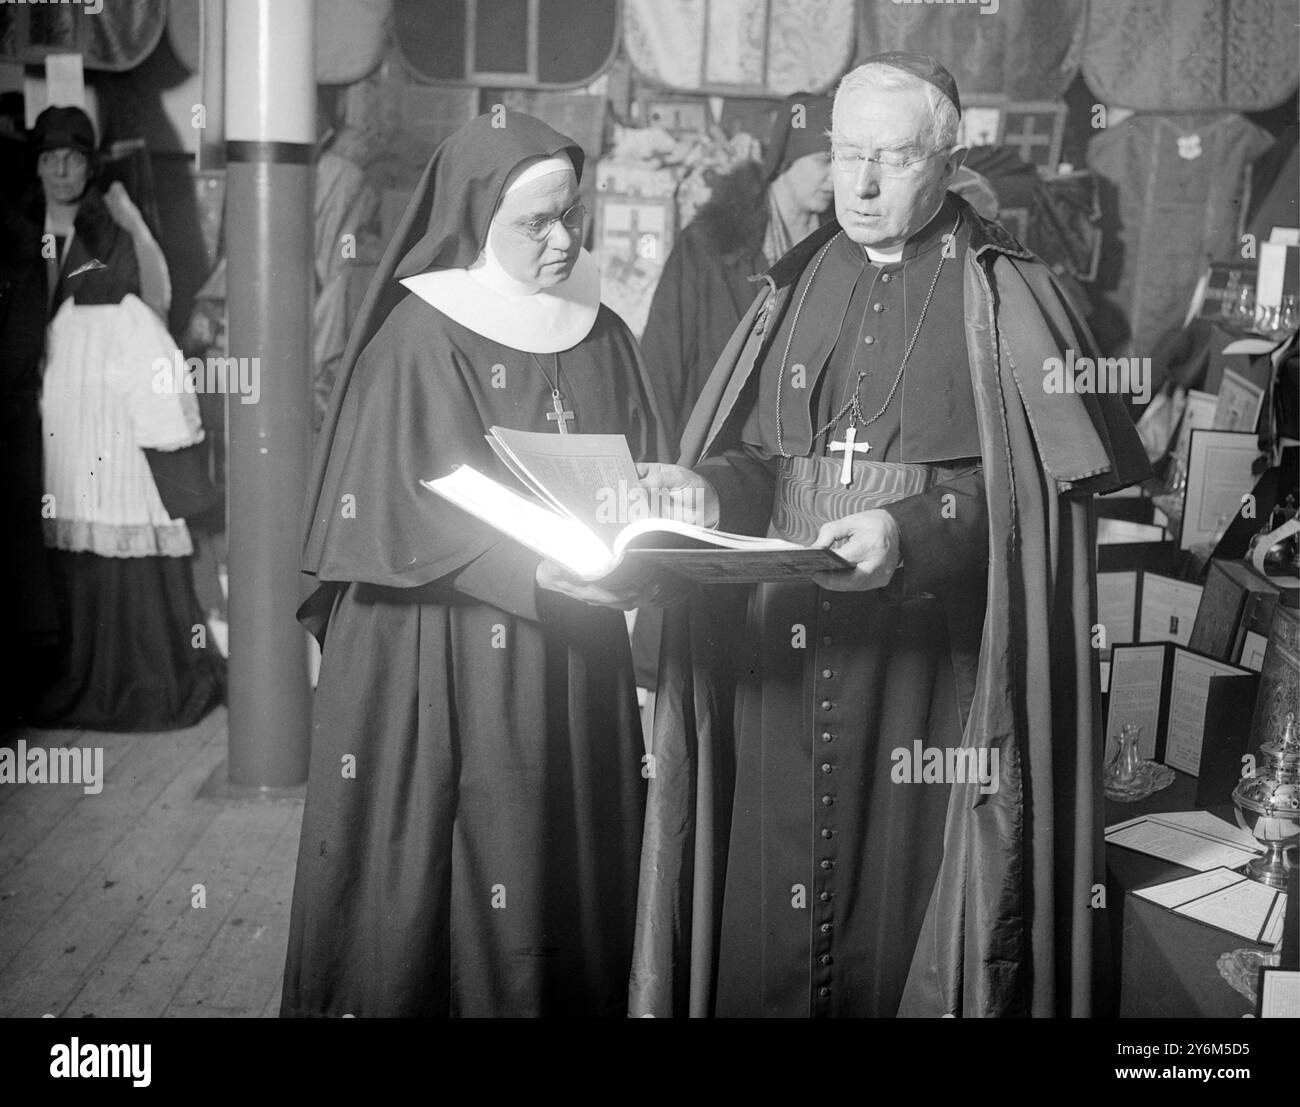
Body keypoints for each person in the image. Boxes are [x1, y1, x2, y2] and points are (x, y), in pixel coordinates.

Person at [629, 55, 1149, 1017]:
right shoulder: (792, 285)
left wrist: (909, 530)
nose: (859, 185)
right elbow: (762, 462)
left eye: (894, 159)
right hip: (774, 653)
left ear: (946, 161)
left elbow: (1026, 498)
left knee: (904, 913)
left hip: (924, 675)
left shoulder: (1005, 296)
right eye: (848, 153)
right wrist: (699, 488)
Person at [282, 112, 668, 1017]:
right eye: (535, 223)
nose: (564, 239)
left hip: (574, 649)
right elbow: (392, 510)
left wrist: (660, 513)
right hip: (437, 660)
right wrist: (534, 571)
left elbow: (641, 466)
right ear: (473, 220)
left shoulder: (600, 328)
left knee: (562, 867)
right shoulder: (418, 341)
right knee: (450, 878)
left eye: (572, 213)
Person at [24, 106, 222, 732]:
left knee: (112, 519)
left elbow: (147, 310)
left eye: (73, 157)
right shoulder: (17, 229)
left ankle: (141, 680)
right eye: (49, 157)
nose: (61, 169)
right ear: (36, 165)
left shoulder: (113, 229)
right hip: (35, 409)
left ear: (90, 163)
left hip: (98, 410)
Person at [640, 93, 834, 459]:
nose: (835, 178)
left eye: (844, 163)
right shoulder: (711, 242)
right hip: (714, 441)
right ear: (786, 158)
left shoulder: (838, 243)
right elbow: (663, 358)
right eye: (825, 160)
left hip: (792, 446)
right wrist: (659, 461)